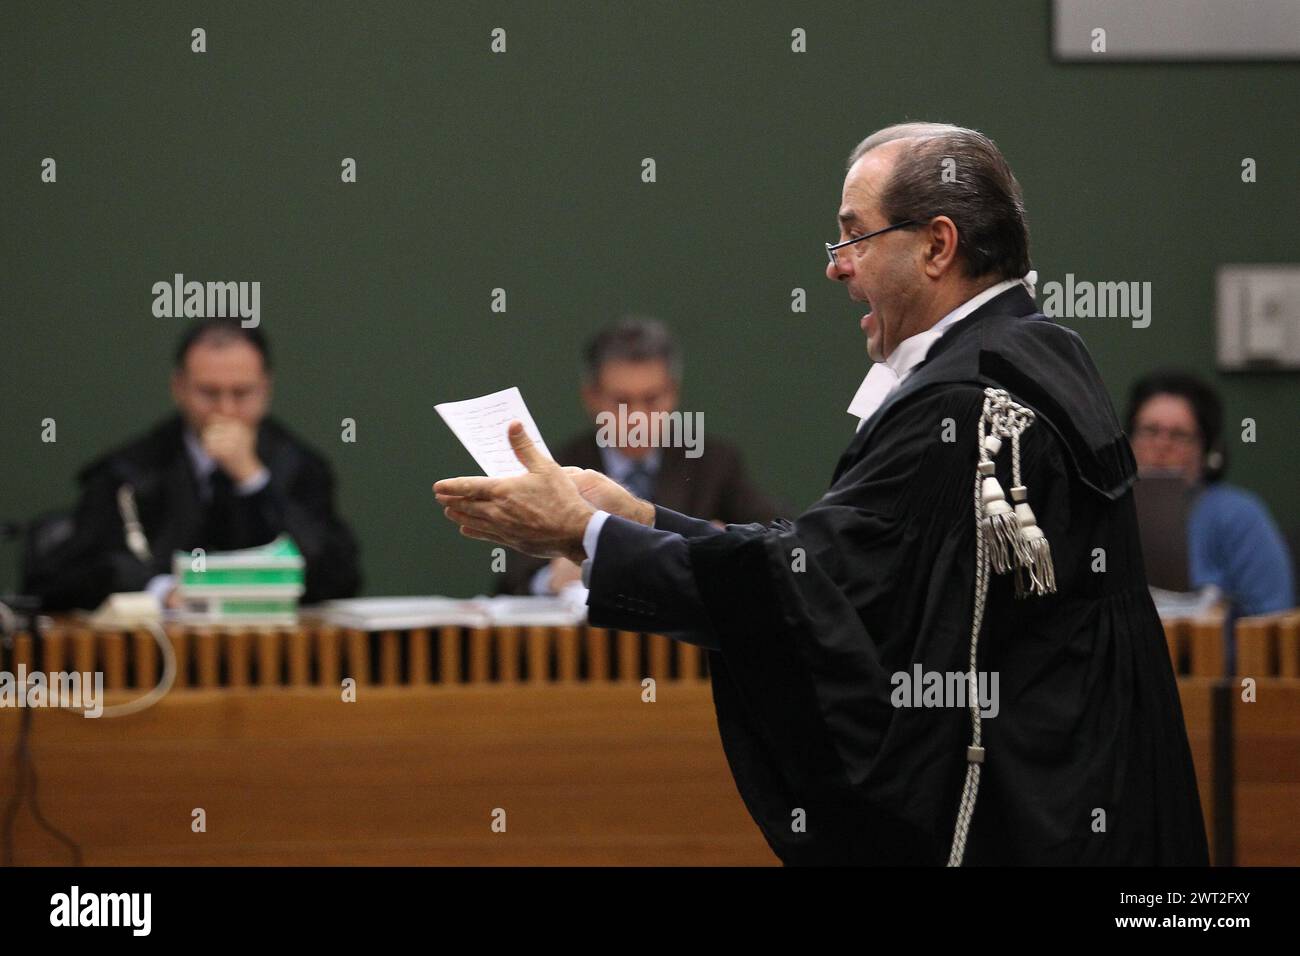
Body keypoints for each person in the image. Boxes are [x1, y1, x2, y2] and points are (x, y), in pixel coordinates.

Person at [435, 122, 1208, 865]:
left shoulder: (964, 401)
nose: (835, 266)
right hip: (1096, 782)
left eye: (853, 236)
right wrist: (631, 516)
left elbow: (810, 593)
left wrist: (588, 536)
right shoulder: (1034, 350)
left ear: (937, 245)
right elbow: (818, 564)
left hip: (1033, 814)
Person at [27, 318, 361, 609]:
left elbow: (338, 578)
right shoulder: (129, 473)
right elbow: (69, 575)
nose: (225, 410)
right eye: (209, 393)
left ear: (265, 390)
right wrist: (158, 590)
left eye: (242, 393)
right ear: (179, 388)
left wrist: (252, 479)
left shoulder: (302, 468)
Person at [497, 317, 781, 597]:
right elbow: (511, 580)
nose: (638, 418)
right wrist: (550, 580)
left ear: (673, 394)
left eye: (652, 399)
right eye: (621, 402)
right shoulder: (556, 467)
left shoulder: (714, 464)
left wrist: (724, 542)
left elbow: (778, 543)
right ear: (591, 397)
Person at [1127, 370, 1295, 631]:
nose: (1161, 446)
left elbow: (1273, 621)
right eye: (1149, 431)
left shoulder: (1239, 516)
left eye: (1179, 435)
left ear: (1206, 450)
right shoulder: (1105, 513)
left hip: (1220, 667)